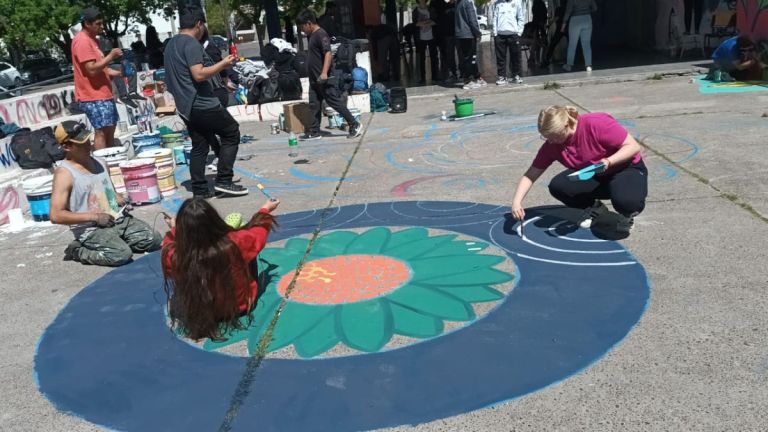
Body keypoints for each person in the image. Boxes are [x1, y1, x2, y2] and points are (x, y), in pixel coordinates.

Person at [510, 106, 647, 235]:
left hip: (625, 168)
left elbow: (633, 146)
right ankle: (595, 209)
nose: (551, 141)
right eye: (546, 137)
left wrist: (609, 161)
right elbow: (531, 175)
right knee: (559, 186)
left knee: (627, 202)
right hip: (595, 174)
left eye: (554, 136)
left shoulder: (596, 123)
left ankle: (627, 214)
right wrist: (517, 202)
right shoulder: (552, 145)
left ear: (566, 125)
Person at [161, 197, 280, 341]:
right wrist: (265, 209)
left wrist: (174, 228)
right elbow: (258, 232)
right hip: (239, 306)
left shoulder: (174, 255)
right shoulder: (234, 243)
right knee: (248, 253)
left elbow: (168, 242)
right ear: (215, 221)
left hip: (203, 313)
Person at [49, 120, 162, 266]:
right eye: (81, 144)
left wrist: (118, 198)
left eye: (87, 141)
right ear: (66, 146)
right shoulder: (65, 174)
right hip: (92, 229)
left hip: (117, 220)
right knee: (121, 255)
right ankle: (78, 250)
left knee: (153, 239)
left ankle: (119, 241)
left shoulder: (101, 163)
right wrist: (95, 217)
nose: (87, 146)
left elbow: (109, 192)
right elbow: (56, 215)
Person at [164, 7, 248, 198]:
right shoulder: (192, 44)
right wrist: (223, 65)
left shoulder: (170, 45)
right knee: (231, 132)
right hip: (202, 103)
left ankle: (200, 191)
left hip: (185, 106)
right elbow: (199, 74)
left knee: (200, 145)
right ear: (199, 24)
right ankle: (224, 180)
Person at [296, 9, 363, 140]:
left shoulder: (321, 34)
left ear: (309, 23)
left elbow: (328, 53)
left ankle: (354, 124)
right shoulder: (312, 36)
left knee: (334, 102)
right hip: (315, 79)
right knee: (314, 104)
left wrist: (324, 73)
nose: (302, 30)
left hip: (323, 78)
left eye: (302, 27)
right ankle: (314, 132)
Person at [71, 7, 122, 150]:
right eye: (98, 24)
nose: (102, 27)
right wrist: (110, 56)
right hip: (92, 96)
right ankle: (103, 163)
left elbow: (100, 68)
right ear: (87, 23)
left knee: (110, 129)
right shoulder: (82, 41)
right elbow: (91, 69)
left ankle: (112, 160)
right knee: (101, 131)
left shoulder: (93, 40)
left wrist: (115, 72)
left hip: (103, 94)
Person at [492, 0, 525, 85]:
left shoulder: (517, 2)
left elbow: (521, 18)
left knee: (516, 56)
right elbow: (494, 18)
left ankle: (516, 75)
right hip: (500, 35)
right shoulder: (497, 3)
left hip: (513, 34)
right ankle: (502, 77)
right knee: (500, 58)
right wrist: (495, 33)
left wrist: (519, 32)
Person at [455, 0, 486, 89]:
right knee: (470, 58)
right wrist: (478, 33)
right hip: (468, 34)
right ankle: (468, 80)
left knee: (467, 58)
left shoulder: (459, 3)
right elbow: (472, 20)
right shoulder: (468, 2)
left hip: (461, 34)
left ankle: (475, 77)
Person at [562, 0, 597, 72]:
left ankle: (569, 65)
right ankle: (588, 66)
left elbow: (568, 12)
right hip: (587, 19)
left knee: (572, 44)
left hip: (575, 20)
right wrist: (587, 11)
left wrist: (563, 24)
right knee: (586, 44)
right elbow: (595, 8)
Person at [413, 0, 440, 84]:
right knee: (421, 58)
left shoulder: (431, 9)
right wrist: (427, 22)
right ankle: (422, 77)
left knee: (434, 57)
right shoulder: (415, 11)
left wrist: (423, 23)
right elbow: (415, 24)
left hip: (432, 36)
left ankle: (435, 76)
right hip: (420, 38)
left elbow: (435, 21)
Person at [437, 0, 459, 84]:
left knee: (461, 55)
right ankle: (453, 74)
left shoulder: (458, 3)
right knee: (449, 55)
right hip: (447, 33)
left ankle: (463, 74)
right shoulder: (441, 4)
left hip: (458, 32)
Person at [542, 3, 567, 68]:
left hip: (560, 28)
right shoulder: (567, 7)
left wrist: (549, 24)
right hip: (568, 27)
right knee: (572, 43)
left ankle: (547, 59)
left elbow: (556, 18)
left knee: (553, 43)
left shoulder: (559, 9)